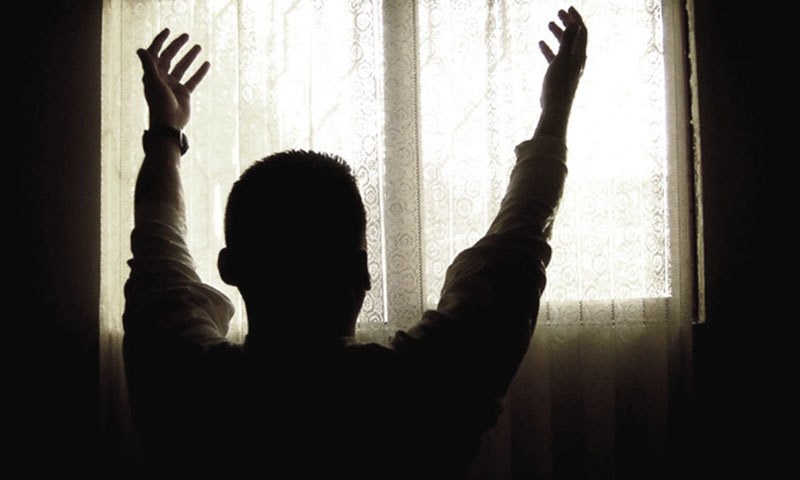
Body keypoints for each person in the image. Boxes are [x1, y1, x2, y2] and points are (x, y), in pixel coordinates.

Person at [124, 7, 587, 478]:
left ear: (230, 266)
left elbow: (157, 249)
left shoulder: (183, 382)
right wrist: (556, 109)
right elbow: (515, 252)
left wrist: (166, 130)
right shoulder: (422, 395)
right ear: (363, 272)